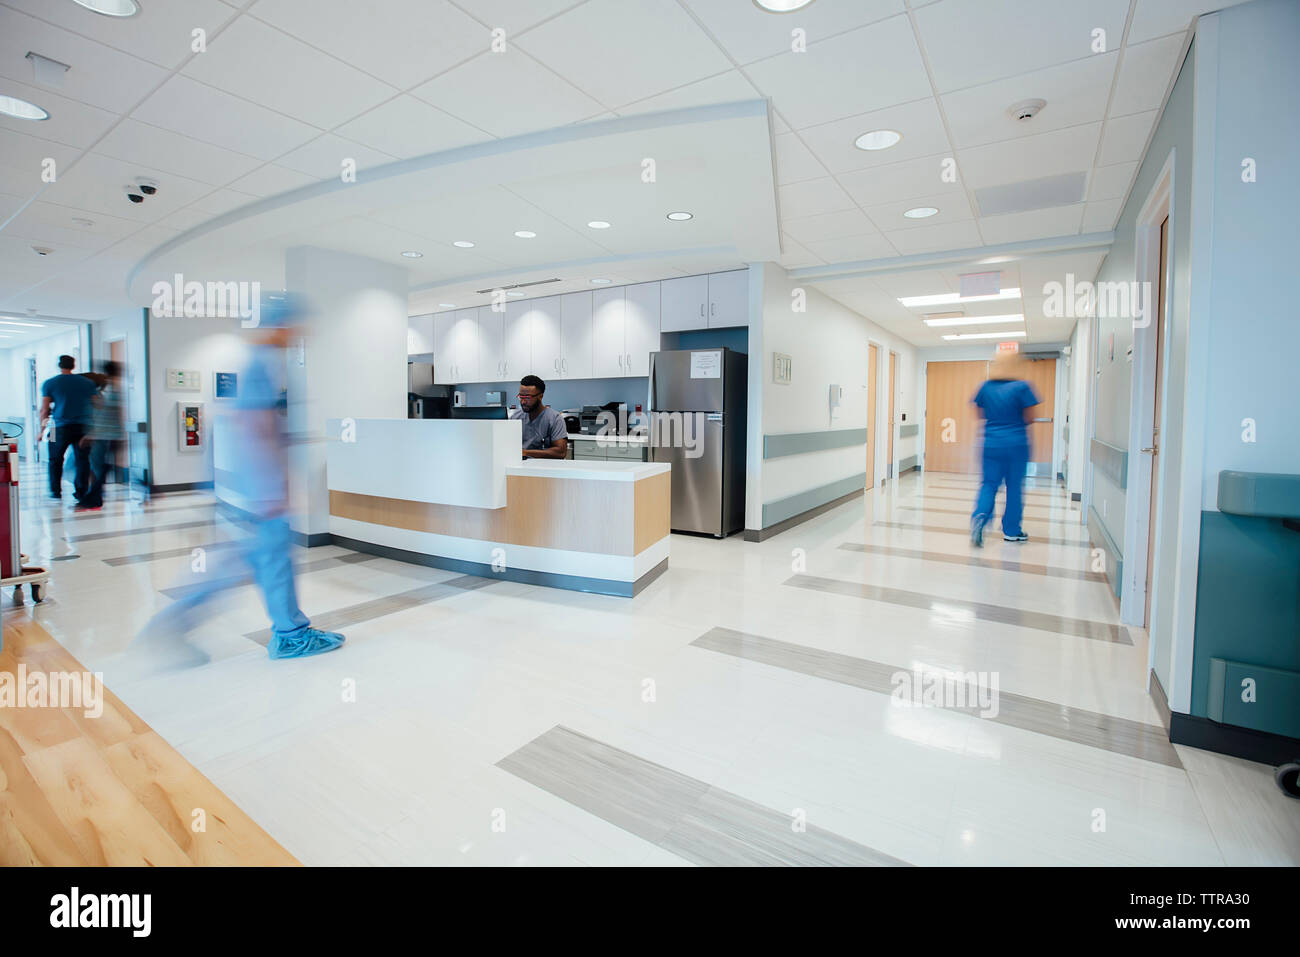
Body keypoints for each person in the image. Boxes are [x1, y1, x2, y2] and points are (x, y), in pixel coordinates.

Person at [138, 296, 345, 662]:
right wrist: (276, 487)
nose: (300, 332)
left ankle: (287, 631)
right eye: (296, 325)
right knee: (263, 562)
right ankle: (285, 635)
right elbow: (256, 426)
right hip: (261, 489)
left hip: (251, 487)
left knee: (256, 561)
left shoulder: (261, 363)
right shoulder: (262, 365)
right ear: (281, 325)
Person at [970, 351, 1041, 547]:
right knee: (1014, 488)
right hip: (1016, 444)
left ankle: (980, 516)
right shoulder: (1023, 387)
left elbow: (980, 415)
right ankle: (1011, 530)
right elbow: (1030, 418)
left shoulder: (985, 387)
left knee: (988, 484)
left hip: (990, 443)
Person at [39, 354, 97, 503]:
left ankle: (55, 491)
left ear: (59, 365)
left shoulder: (50, 383)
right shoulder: (88, 383)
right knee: (82, 460)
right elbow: (96, 406)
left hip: (56, 427)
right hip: (83, 426)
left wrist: (41, 431)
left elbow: (44, 410)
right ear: (73, 365)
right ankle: (81, 491)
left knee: (54, 460)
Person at [78, 361, 126, 511]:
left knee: (100, 469)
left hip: (103, 437)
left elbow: (101, 417)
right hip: (111, 436)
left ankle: (92, 500)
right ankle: (94, 499)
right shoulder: (114, 389)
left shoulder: (106, 391)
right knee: (103, 468)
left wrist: (90, 435)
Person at [512, 374, 569, 459]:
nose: (523, 402)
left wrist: (525, 452)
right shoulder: (515, 417)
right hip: (519, 464)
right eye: (521, 397)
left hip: (545, 465)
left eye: (527, 397)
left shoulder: (554, 418)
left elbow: (560, 452)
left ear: (540, 396)